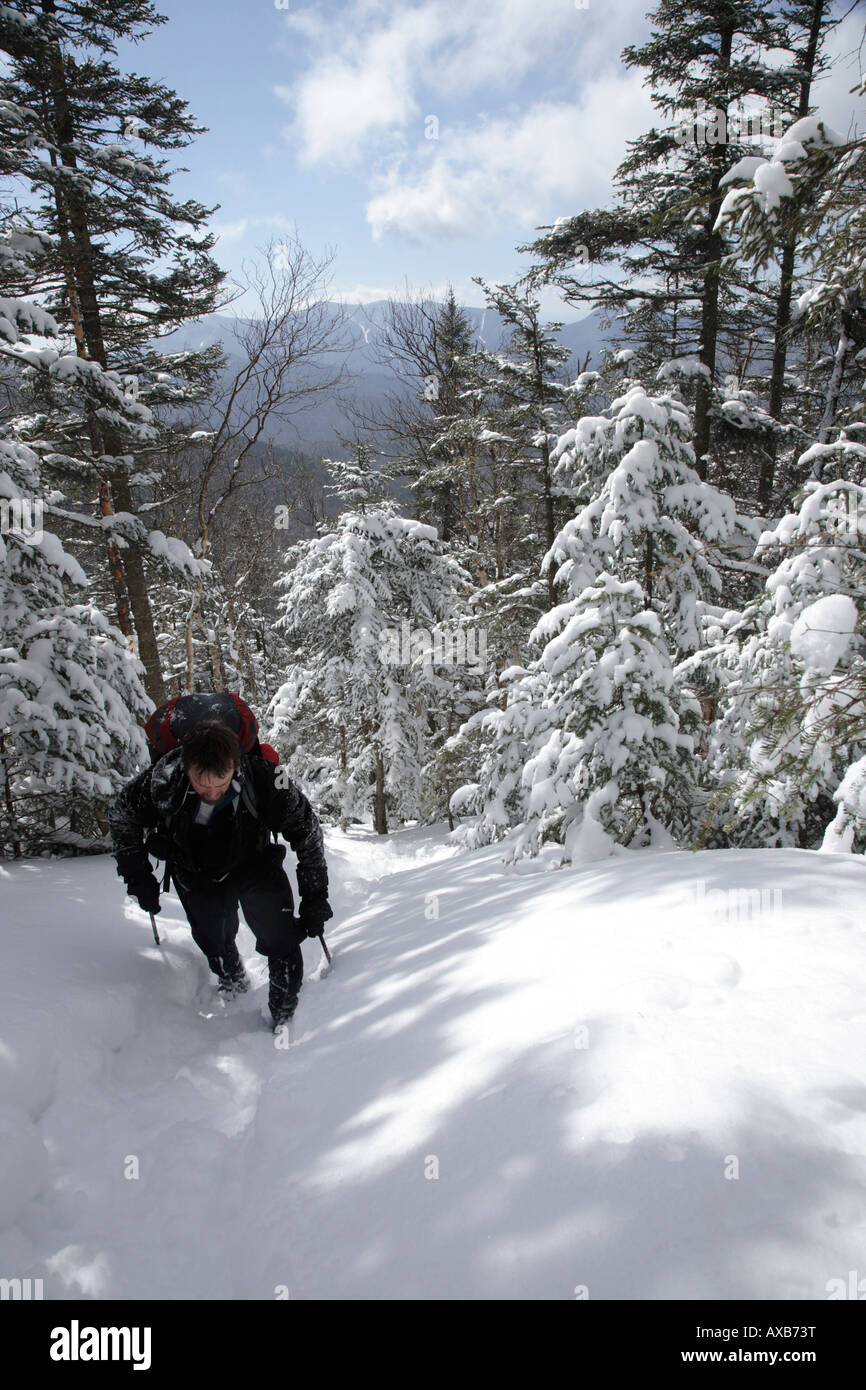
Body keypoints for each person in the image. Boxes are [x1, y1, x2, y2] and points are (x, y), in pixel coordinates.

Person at [108, 719, 333, 1030]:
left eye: (221, 779)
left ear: (235, 765)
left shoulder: (264, 776)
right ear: (186, 767)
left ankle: (285, 1019)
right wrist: (138, 877)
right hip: (194, 871)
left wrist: (314, 895)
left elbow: (307, 830)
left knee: (281, 939)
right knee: (213, 939)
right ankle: (233, 978)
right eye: (201, 781)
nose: (211, 790)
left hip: (255, 864)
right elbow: (122, 816)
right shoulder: (161, 780)